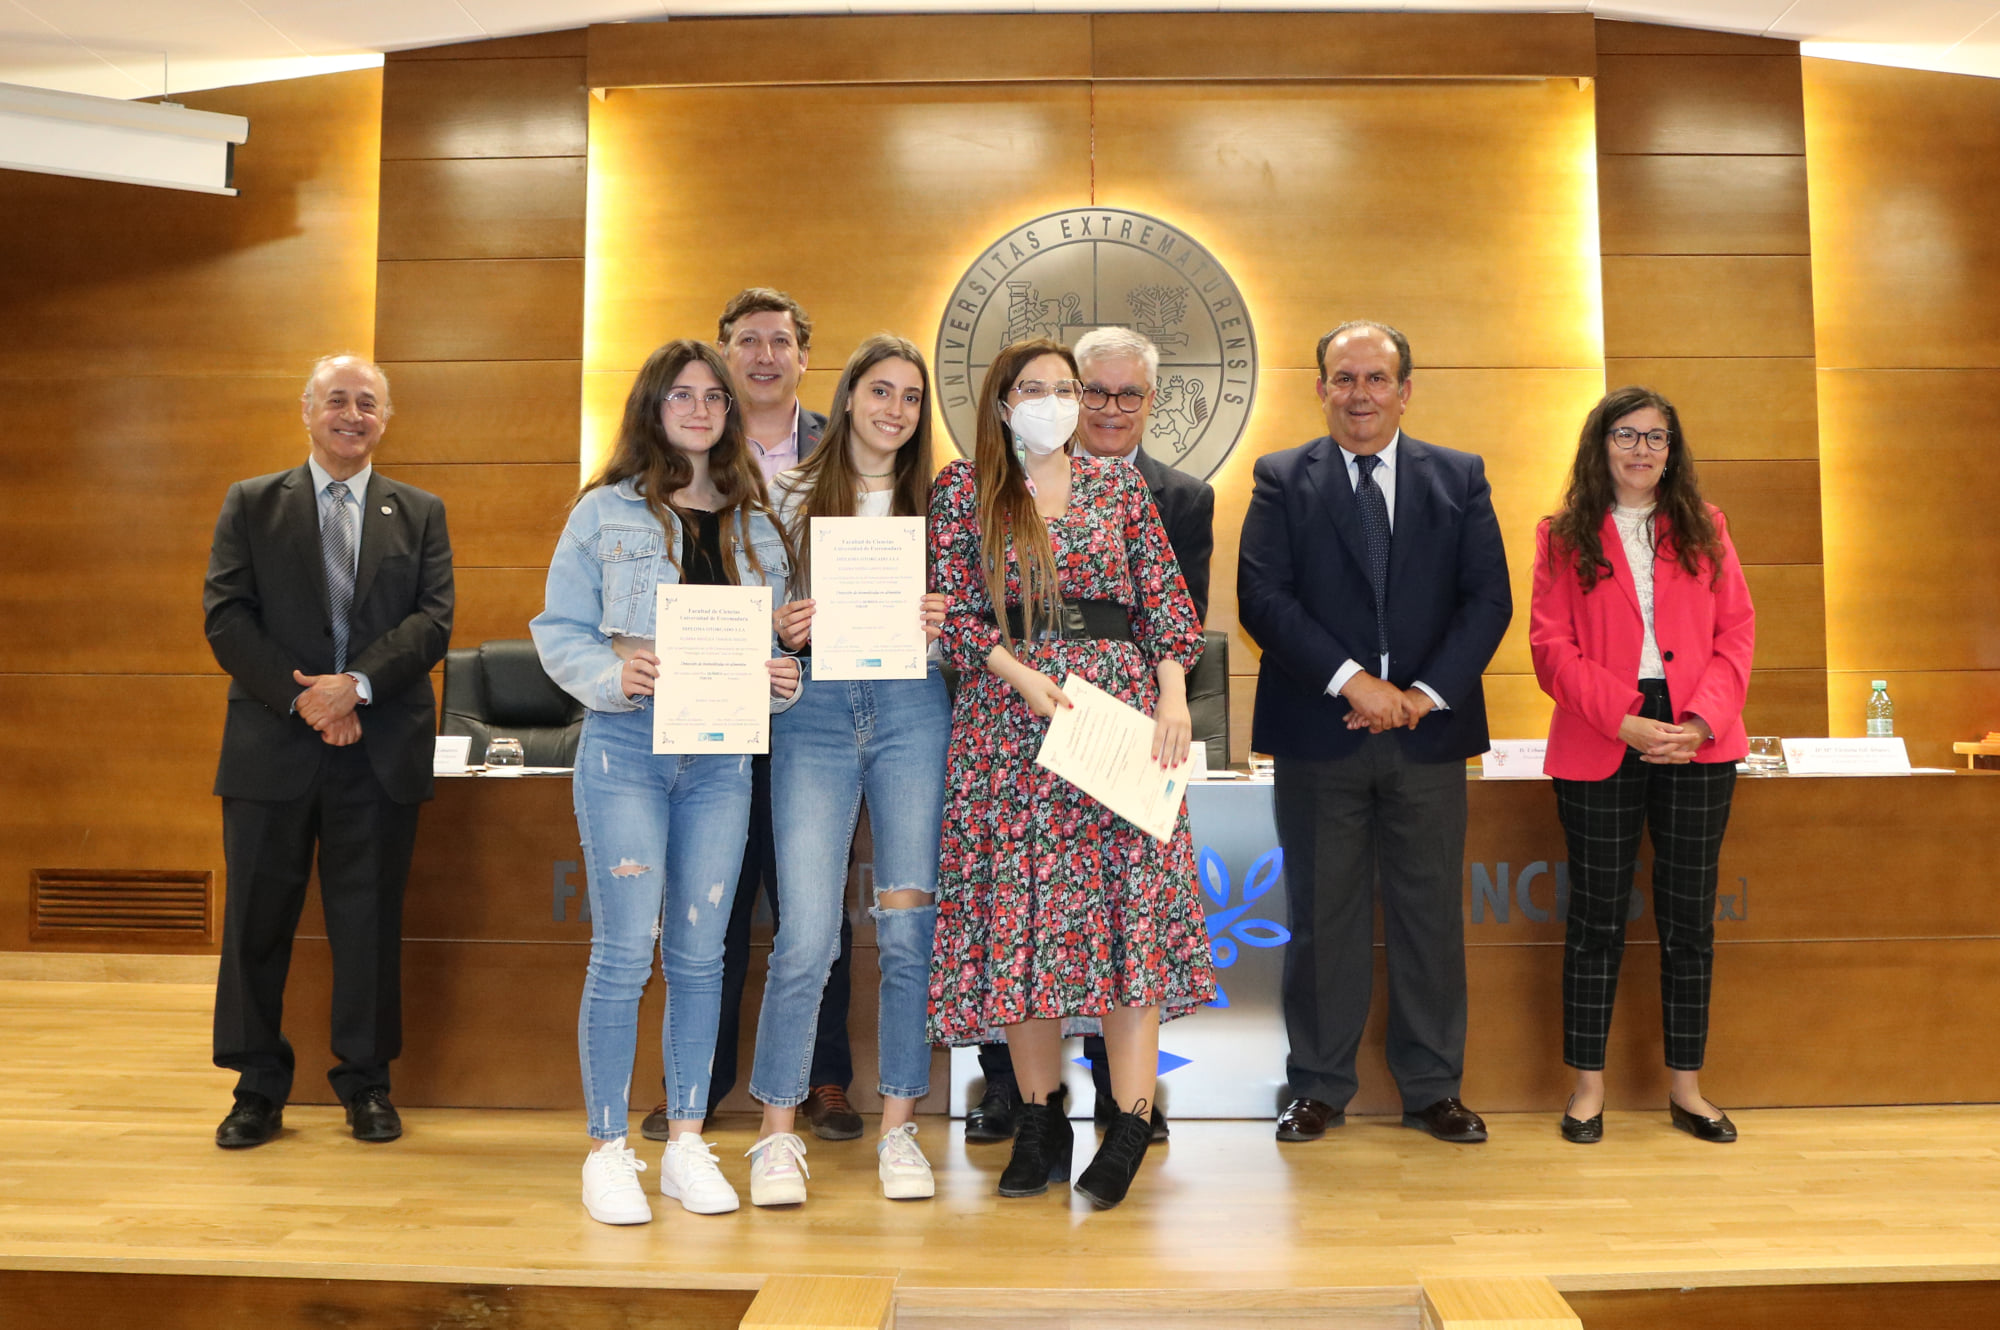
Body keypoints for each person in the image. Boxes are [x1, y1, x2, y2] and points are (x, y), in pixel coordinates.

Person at [929, 337, 1213, 1210]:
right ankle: (1041, 1121)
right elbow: (952, 607)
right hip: (1009, 727)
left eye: (1067, 387)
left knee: (1127, 920)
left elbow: (1167, 603)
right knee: (1026, 924)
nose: (1055, 401)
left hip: (1117, 720)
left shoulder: (1116, 484)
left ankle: (1129, 1121)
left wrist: (1172, 695)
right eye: (1035, 388)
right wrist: (1022, 676)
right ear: (1002, 401)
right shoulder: (960, 490)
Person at [531, 339, 802, 1225]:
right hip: (626, 753)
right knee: (621, 953)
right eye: (680, 395)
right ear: (652, 407)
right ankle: (607, 1150)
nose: (698, 409)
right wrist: (616, 674)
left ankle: (687, 1143)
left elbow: (768, 645)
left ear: (729, 413)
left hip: (721, 760)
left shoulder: (759, 522)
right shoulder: (601, 514)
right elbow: (560, 628)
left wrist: (781, 673)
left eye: (713, 398)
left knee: (700, 956)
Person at [1237, 321, 1511, 1148]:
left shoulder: (1459, 477)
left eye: (1376, 379)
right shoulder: (1283, 478)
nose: (1360, 394)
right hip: (1321, 732)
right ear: (1320, 388)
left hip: (1427, 737)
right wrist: (1355, 682)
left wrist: (1419, 696)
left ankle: (1433, 1088)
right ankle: (1318, 1087)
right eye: (1343, 378)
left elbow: (1487, 601)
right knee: (1325, 920)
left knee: (1430, 918)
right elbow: (1264, 598)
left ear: (1405, 389)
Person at [204, 354, 453, 1150]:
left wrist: (356, 688)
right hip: (272, 744)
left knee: (368, 922)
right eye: (337, 400)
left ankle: (366, 1085)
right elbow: (227, 617)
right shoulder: (251, 502)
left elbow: (432, 621)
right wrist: (308, 698)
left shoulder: (419, 510)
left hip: (378, 747)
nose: (353, 414)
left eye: (368, 403)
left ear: (387, 418)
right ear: (307, 410)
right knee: (256, 922)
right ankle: (256, 1089)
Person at [642, 287, 861, 1146]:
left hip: (821, 699)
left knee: (817, 905)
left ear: (806, 355)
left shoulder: (845, 449)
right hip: (711, 699)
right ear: (724, 357)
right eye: (746, 343)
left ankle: (826, 1080)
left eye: (781, 342)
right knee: (714, 900)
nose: (764, 356)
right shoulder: (695, 448)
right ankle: (695, 1082)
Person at [744, 334, 954, 1206]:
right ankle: (775, 1135)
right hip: (816, 715)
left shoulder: (942, 505)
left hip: (912, 711)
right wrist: (780, 628)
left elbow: (981, 620)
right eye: (880, 390)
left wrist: (948, 619)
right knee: (807, 935)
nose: (895, 409)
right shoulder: (787, 492)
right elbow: (747, 609)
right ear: (850, 394)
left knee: (908, 929)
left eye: (911, 396)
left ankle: (901, 1130)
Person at [1529, 386, 1755, 1145]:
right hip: (1603, 731)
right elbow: (1550, 649)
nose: (1641, 450)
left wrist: (1698, 720)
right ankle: (1586, 1087)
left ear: (1673, 449)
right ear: (1600, 446)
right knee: (1596, 917)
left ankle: (1687, 1089)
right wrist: (1623, 719)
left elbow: (1737, 635)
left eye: (1656, 438)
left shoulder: (1706, 526)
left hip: (1699, 736)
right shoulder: (1563, 535)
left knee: (1688, 921)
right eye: (1626, 436)